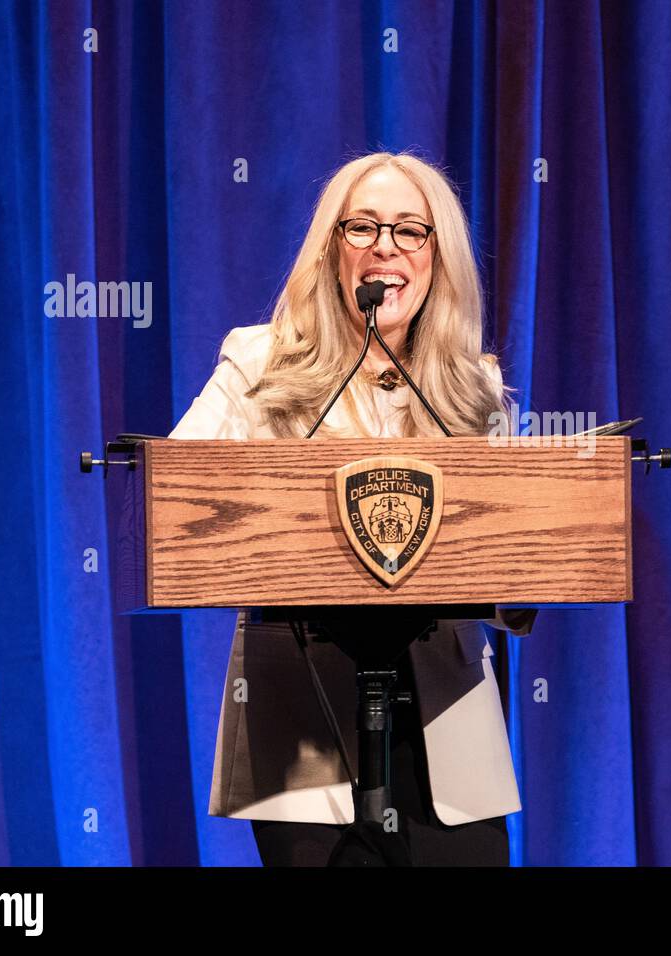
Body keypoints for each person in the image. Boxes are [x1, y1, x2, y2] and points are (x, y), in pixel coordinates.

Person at [170, 151, 533, 866]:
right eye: (362, 227)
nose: (385, 249)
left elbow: (511, 556)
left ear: (438, 256)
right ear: (330, 248)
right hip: (302, 722)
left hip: (443, 725)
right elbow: (183, 495)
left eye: (410, 231)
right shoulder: (260, 363)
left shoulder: (471, 387)